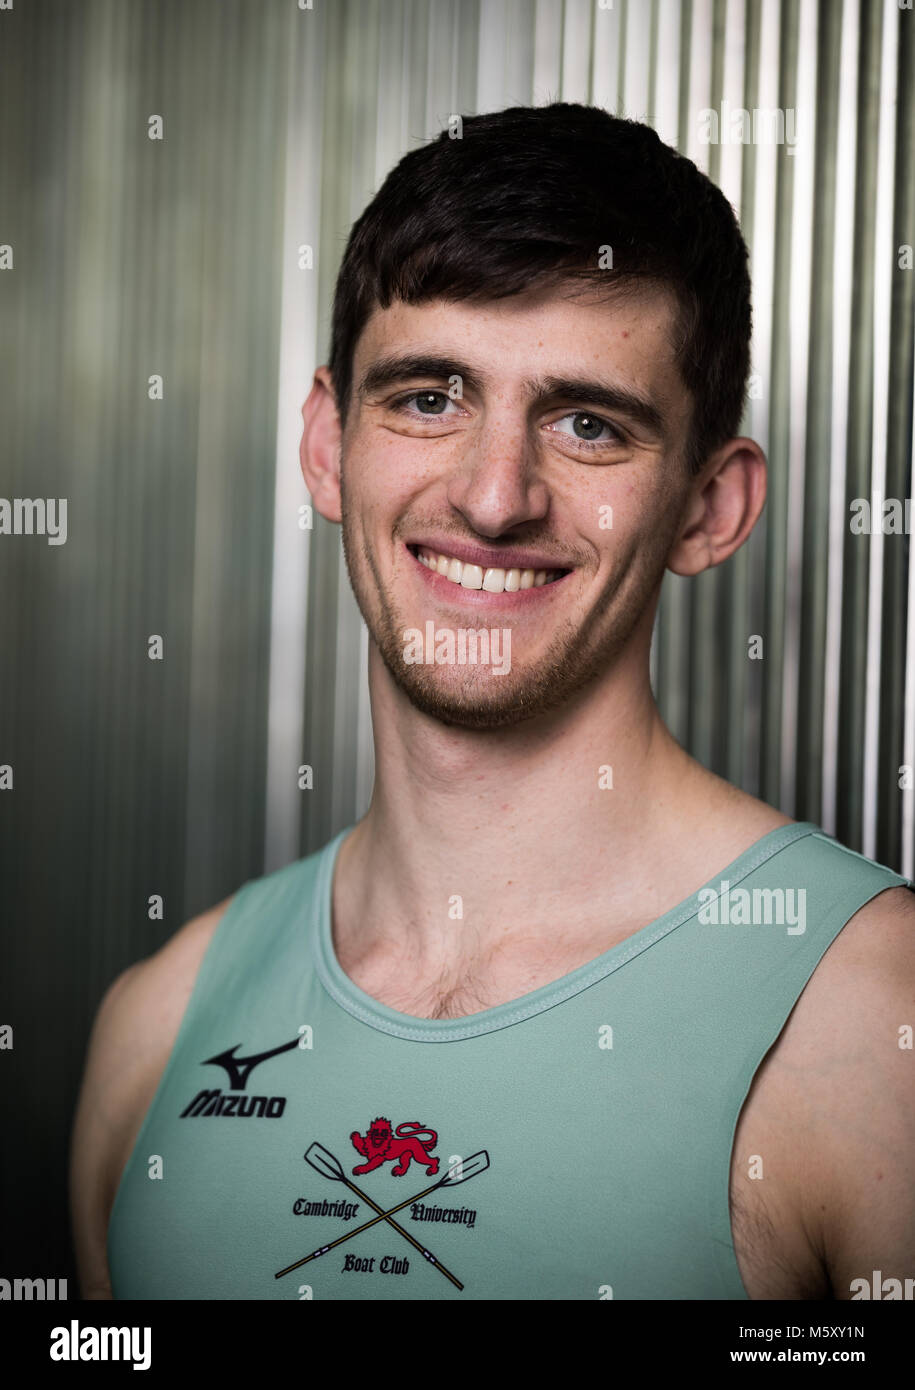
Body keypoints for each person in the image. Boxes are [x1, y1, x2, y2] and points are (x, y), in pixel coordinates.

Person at [70, 102, 915, 1301]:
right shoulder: (156, 1026)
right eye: (428, 397)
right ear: (327, 444)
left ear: (709, 507)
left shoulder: (873, 1023)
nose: (496, 494)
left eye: (586, 423)